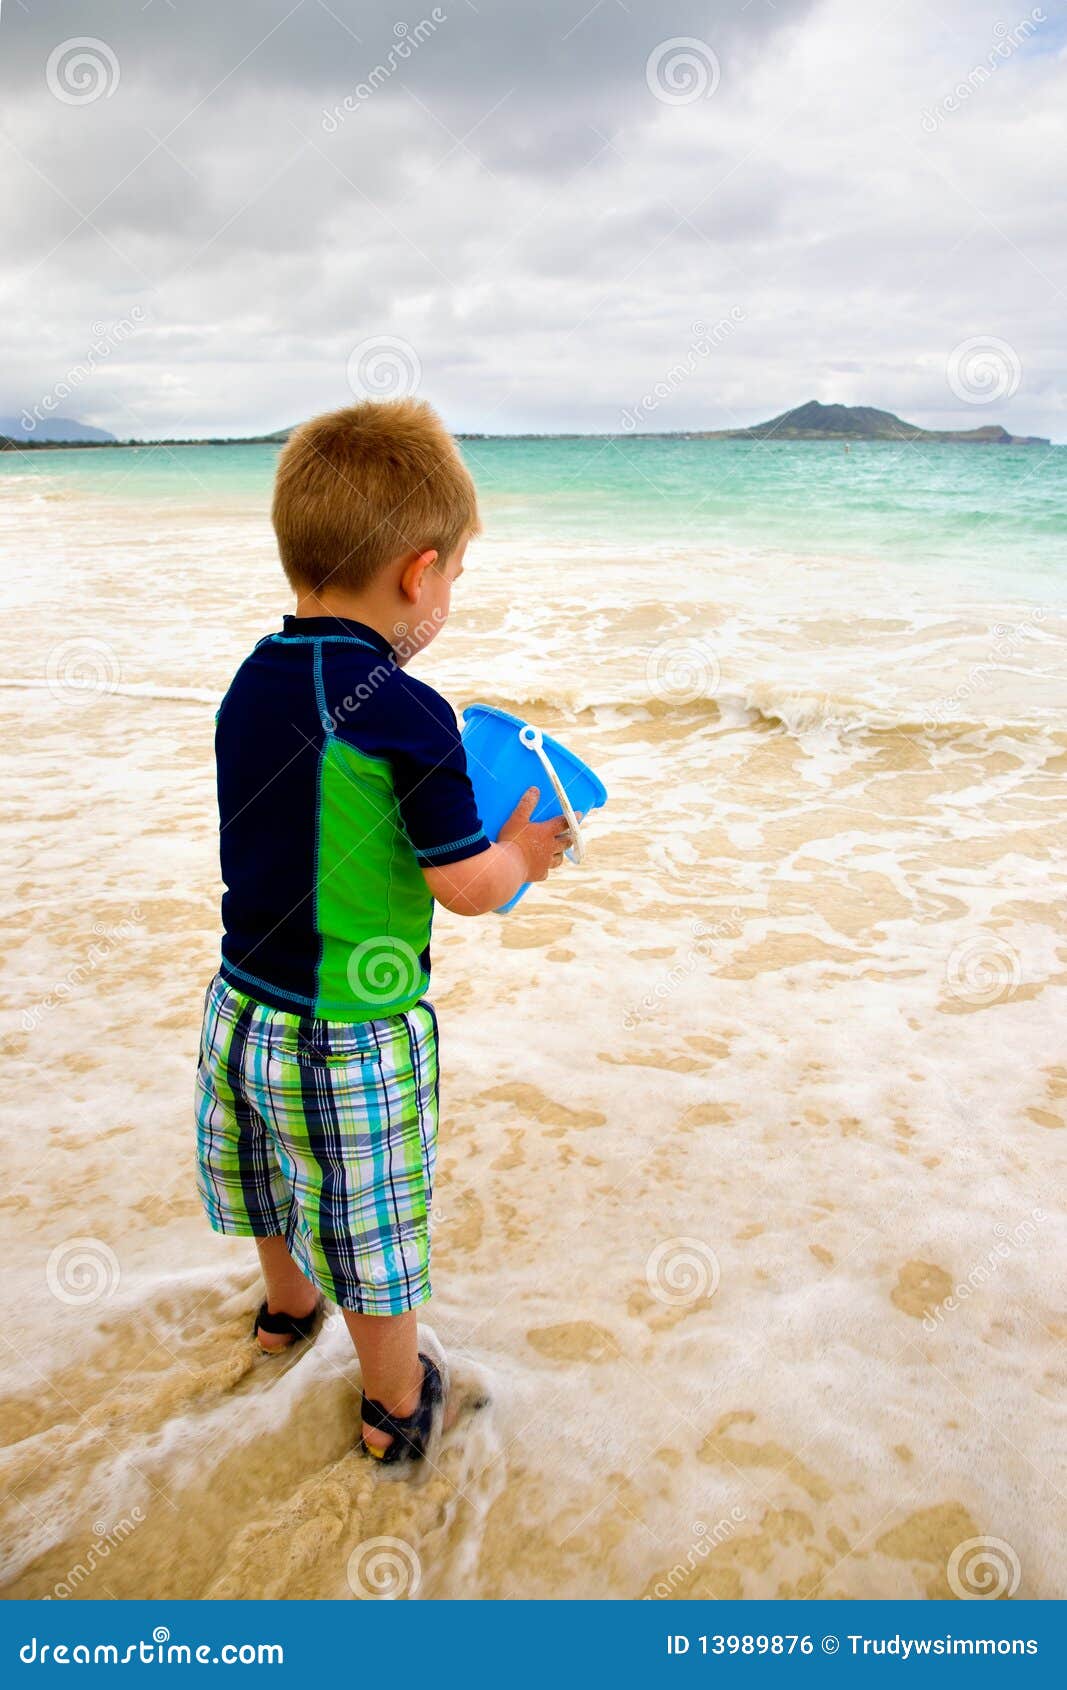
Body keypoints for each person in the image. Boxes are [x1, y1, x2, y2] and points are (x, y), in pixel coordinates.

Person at [194, 399, 571, 1464]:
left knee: (266, 1172)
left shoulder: (251, 681)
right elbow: (464, 886)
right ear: (418, 573)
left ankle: (284, 1312)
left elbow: (315, 814)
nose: (448, 596)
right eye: (452, 576)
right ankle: (398, 1404)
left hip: (240, 1004)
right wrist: (526, 854)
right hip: (349, 1030)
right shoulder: (406, 711)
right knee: (374, 1222)